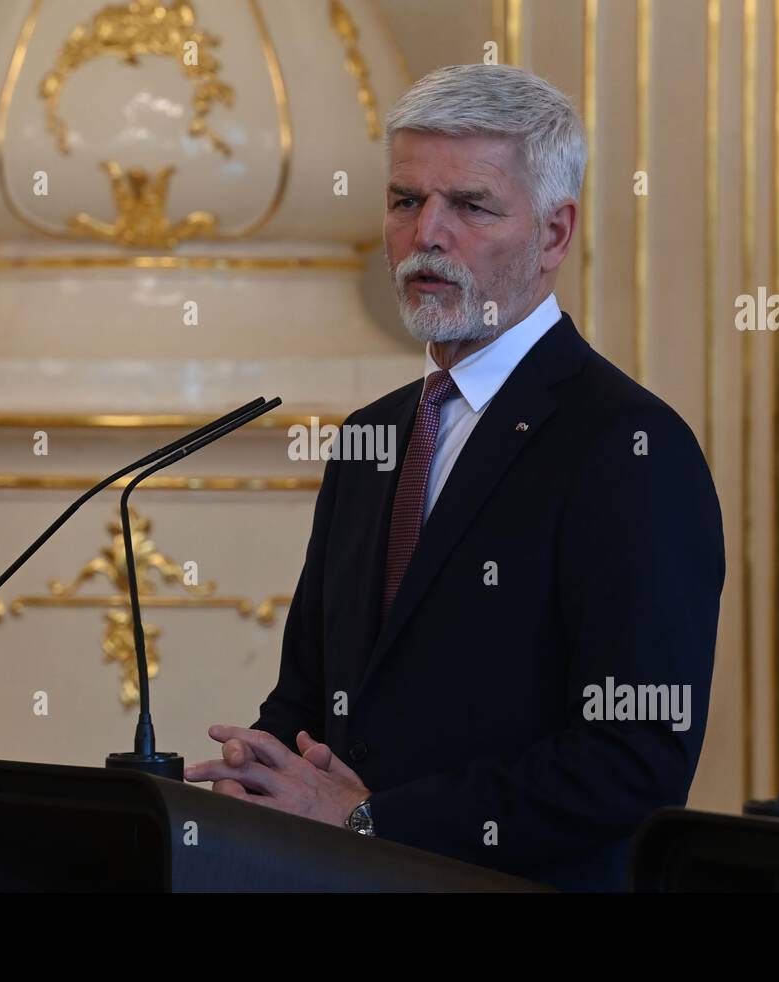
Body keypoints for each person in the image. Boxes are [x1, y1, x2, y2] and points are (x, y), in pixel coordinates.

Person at [184, 63, 725, 891]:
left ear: (553, 234)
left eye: (470, 206)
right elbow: (311, 696)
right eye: (406, 202)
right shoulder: (372, 435)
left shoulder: (628, 446)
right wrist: (256, 777)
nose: (428, 233)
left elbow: (633, 759)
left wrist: (374, 822)